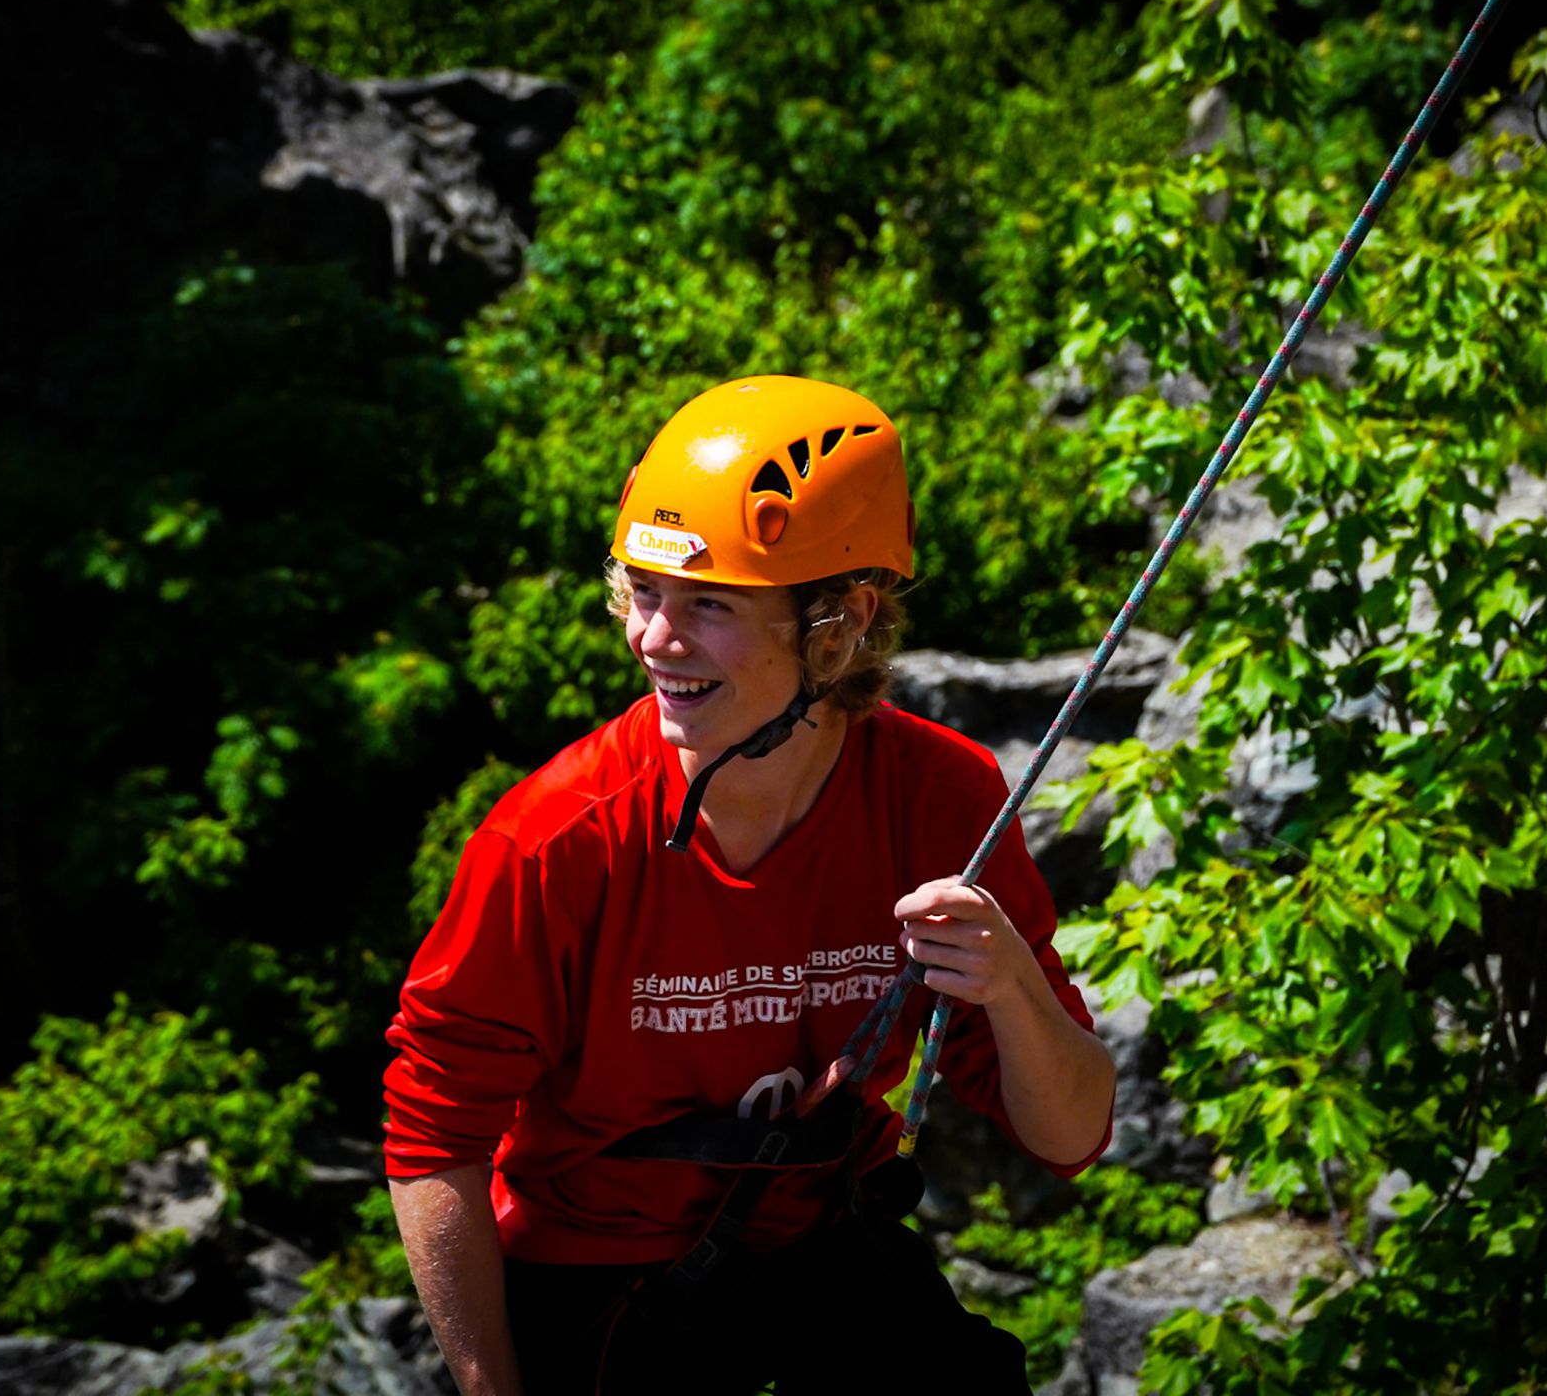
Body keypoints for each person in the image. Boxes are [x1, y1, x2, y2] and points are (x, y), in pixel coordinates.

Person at [383, 375, 1117, 1395]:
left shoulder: (941, 798)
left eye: (709, 606)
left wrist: (1010, 987)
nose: (654, 638)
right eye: (644, 593)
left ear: (840, 622)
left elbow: (1072, 1133)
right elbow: (433, 1131)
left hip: (824, 1243)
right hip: (600, 1274)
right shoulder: (557, 840)